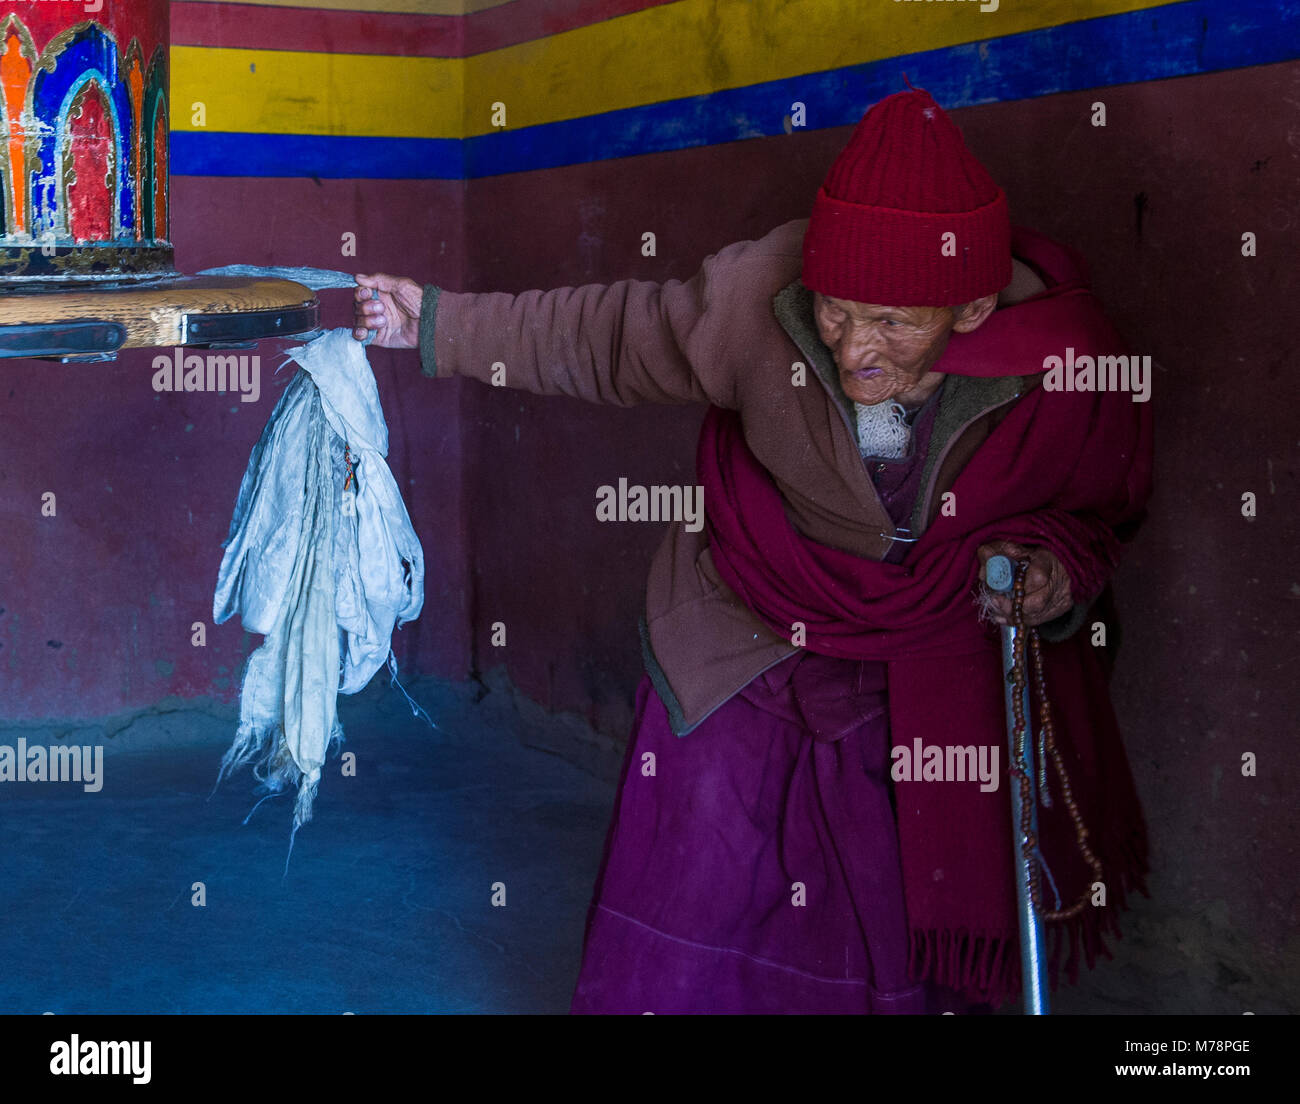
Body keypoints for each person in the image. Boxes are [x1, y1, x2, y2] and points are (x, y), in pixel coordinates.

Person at [353, 87, 1153, 1014]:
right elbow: (615, 334)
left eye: (895, 323)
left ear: (972, 306)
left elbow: (1096, 515)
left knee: (893, 886)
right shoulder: (756, 296)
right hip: (755, 610)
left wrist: (1052, 576)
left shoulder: (1063, 367)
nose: (857, 353)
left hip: (936, 647)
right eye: (837, 314)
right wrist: (441, 325)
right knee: (709, 862)